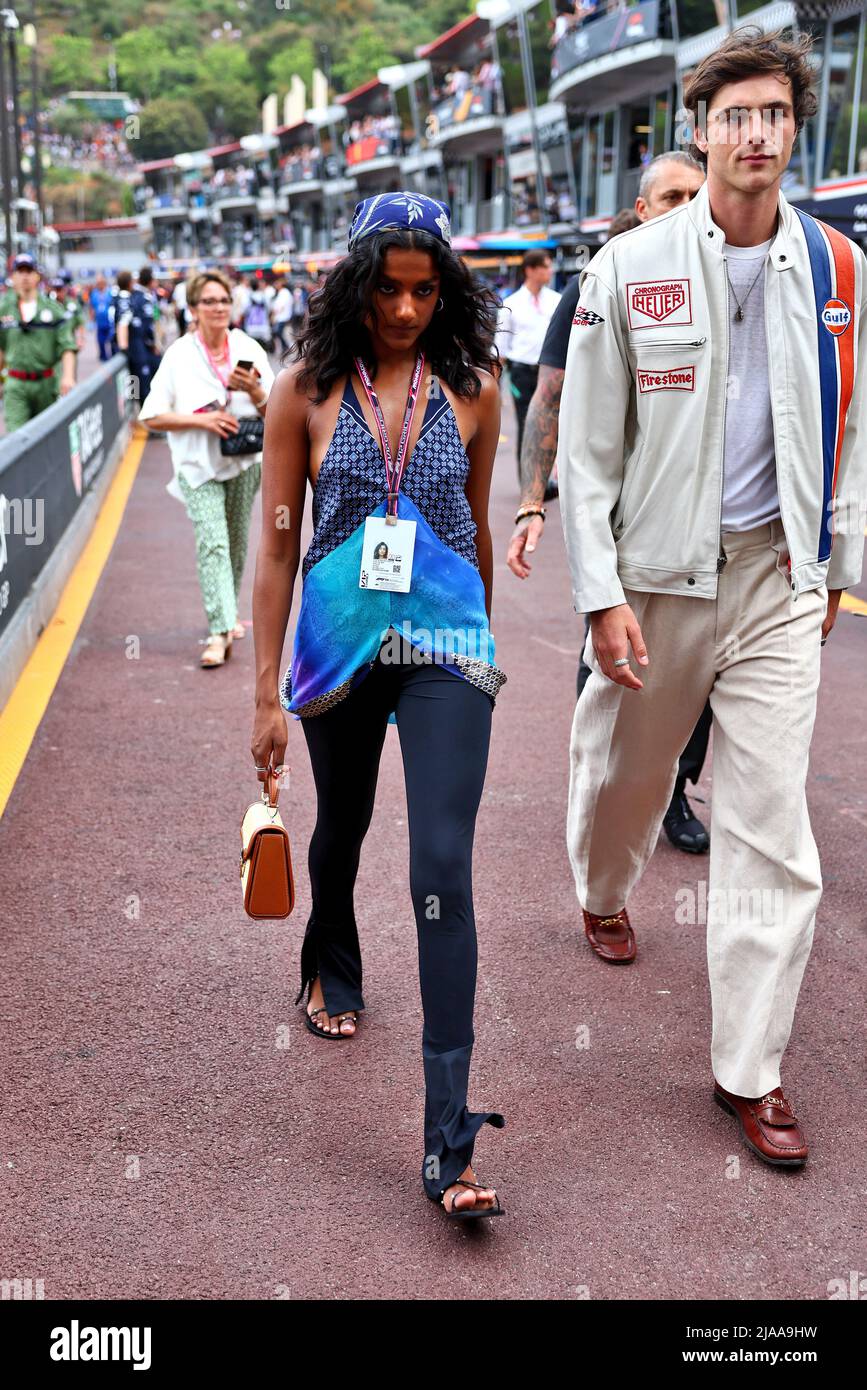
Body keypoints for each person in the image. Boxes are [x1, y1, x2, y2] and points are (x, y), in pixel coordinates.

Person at [557, 28, 867, 1166]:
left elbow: (852, 434)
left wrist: (835, 558)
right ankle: (601, 885)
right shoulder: (626, 271)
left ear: (795, 128)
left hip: (780, 580)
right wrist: (600, 594)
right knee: (627, 780)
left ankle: (752, 1070)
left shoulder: (840, 271)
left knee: (769, 826)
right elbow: (588, 454)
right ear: (700, 129)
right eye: (735, 115)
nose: (755, 135)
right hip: (659, 577)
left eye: (774, 115)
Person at [250, 191, 507, 1219]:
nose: (407, 310)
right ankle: (331, 951)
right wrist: (263, 694)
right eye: (389, 289)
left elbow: (476, 525)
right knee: (342, 827)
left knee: (441, 863)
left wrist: (481, 637)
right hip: (338, 640)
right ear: (358, 284)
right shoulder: (302, 391)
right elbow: (276, 541)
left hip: (447, 642)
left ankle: (451, 1141)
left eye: (425, 288)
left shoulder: (477, 386)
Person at [509, 153, 713, 855]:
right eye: (672, 194)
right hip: (622, 518)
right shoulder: (598, 282)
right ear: (641, 208)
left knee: (703, 665)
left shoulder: (733, 287)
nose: (687, 204)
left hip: (709, 519)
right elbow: (548, 399)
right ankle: (599, 783)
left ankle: (674, 794)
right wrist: (531, 503)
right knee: (612, 650)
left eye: (698, 192)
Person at [138, 270, 275, 667]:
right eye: (209, 302)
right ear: (193, 309)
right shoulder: (179, 355)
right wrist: (202, 421)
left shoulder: (248, 347)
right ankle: (218, 631)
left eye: (224, 301)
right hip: (197, 466)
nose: (218, 308)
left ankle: (228, 614)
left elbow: (276, 414)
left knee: (235, 543)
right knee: (212, 543)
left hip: (244, 461)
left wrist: (254, 391)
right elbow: (152, 416)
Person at [495, 249, 561, 483]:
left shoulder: (556, 301)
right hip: (522, 372)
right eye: (545, 266)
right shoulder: (511, 304)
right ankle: (528, 482)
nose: (550, 271)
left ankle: (546, 479)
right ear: (530, 270)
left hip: (550, 372)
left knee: (551, 424)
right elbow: (501, 346)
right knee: (526, 424)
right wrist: (495, 383)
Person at [0, 253, 77, 431]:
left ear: (37, 276)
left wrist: (68, 376)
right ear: (13, 276)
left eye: (29, 271)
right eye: (20, 271)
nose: (25, 276)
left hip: (46, 383)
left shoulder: (54, 310)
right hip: (16, 384)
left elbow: (67, 347)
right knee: (16, 436)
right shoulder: (4, 310)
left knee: (47, 435)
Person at [116, 266, 162, 405]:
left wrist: (156, 342)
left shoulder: (149, 296)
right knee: (138, 383)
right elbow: (122, 322)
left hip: (147, 347)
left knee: (153, 380)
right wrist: (123, 346)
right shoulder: (132, 297)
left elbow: (154, 321)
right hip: (137, 348)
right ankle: (140, 413)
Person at [89, 273, 114, 361]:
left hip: (110, 322)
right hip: (100, 322)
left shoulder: (110, 292)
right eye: (97, 283)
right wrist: (91, 320)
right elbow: (92, 307)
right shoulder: (94, 293)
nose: (98, 285)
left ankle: (113, 356)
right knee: (100, 341)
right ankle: (103, 356)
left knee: (112, 340)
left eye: (100, 283)